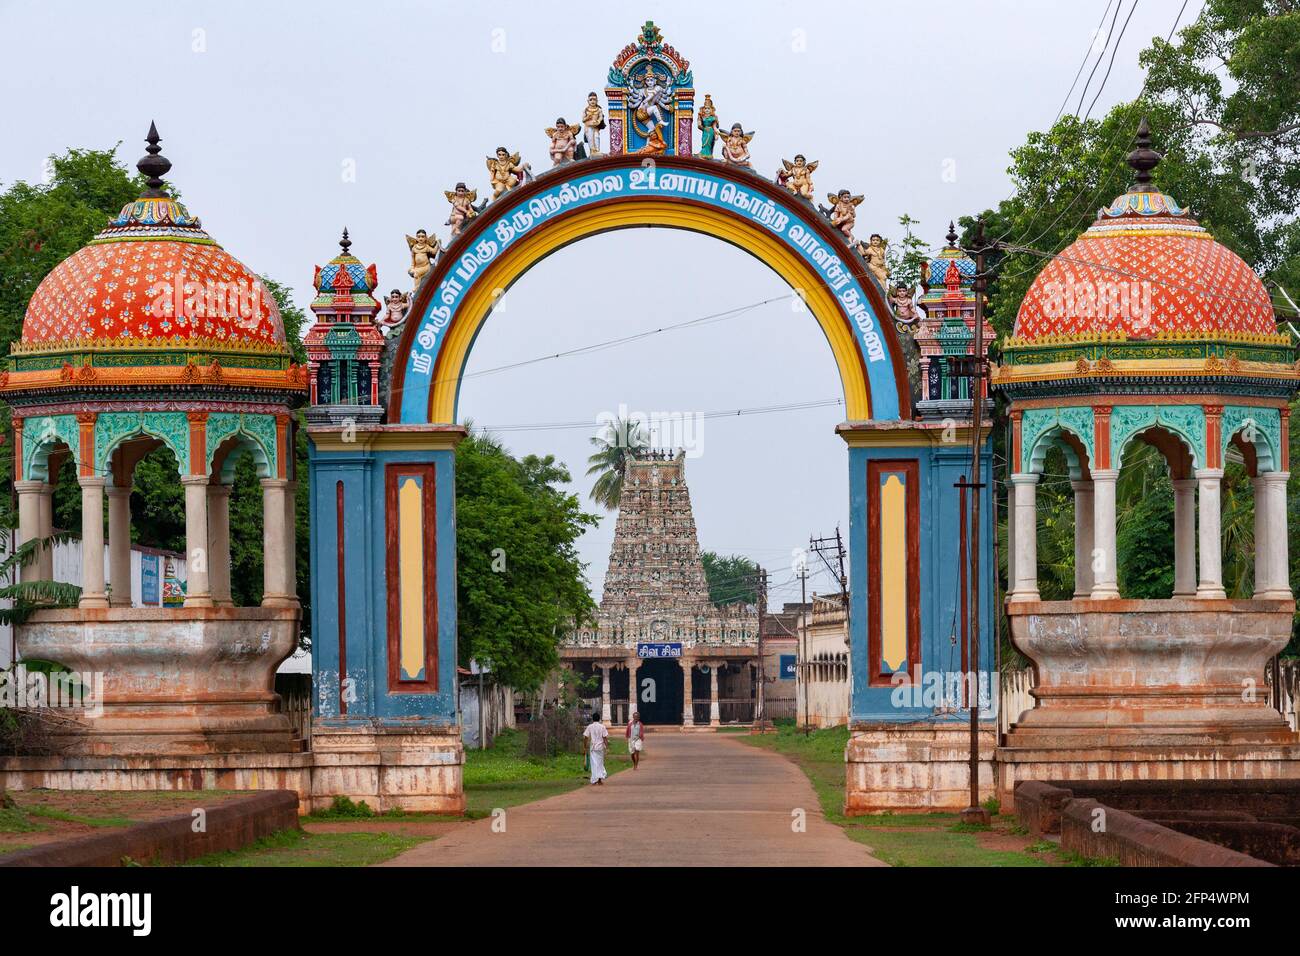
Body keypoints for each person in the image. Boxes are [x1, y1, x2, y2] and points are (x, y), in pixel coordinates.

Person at [582, 712, 610, 785]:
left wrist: (584, 747)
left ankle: (594, 780)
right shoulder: (602, 726)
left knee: (594, 764)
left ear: (592, 719)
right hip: (600, 747)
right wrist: (607, 748)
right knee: (600, 763)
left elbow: (585, 737)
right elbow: (605, 738)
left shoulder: (590, 726)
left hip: (593, 748)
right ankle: (599, 780)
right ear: (599, 718)